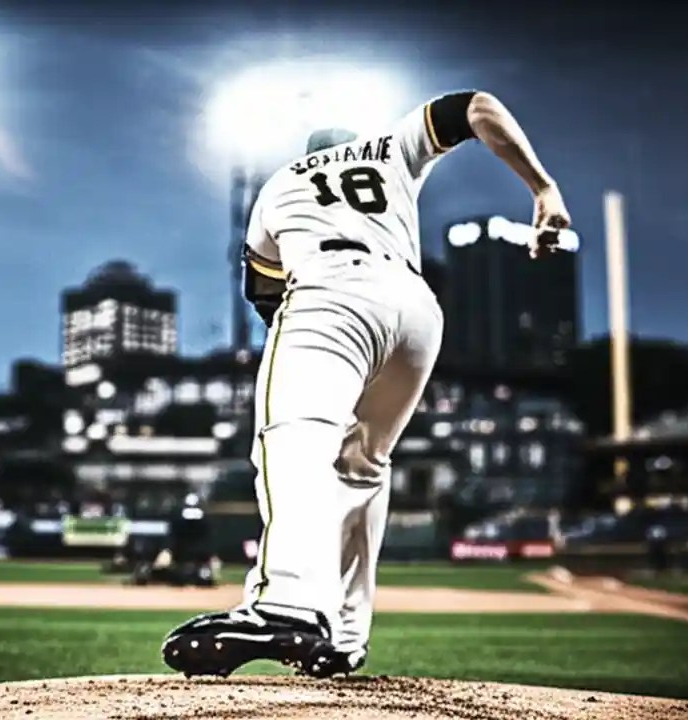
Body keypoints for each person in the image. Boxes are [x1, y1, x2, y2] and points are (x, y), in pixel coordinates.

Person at [162, 89, 571, 678]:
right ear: (353, 143)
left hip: (328, 295)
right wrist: (542, 188)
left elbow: (264, 293)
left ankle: (287, 604)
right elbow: (478, 106)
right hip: (414, 311)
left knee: (293, 437)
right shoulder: (391, 148)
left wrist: (317, 357)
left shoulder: (278, 184)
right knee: (364, 465)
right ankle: (346, 636)